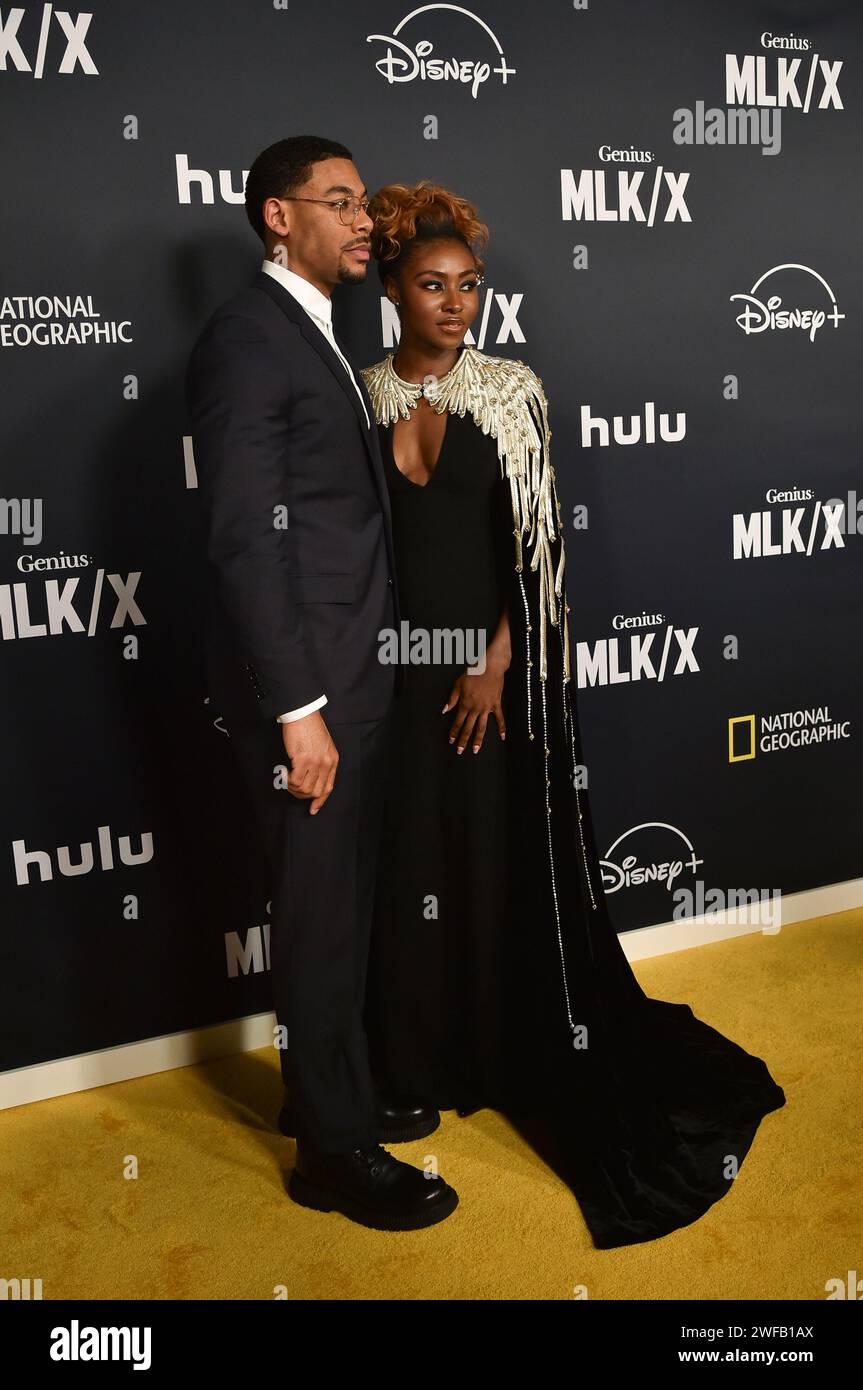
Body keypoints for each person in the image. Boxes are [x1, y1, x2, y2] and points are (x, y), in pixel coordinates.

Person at [359, 180, 787, 1248]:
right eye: (432, 286)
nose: (455, 305)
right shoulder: (357, 393)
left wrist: (498, 661)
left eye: (469, 287)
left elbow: (539, 550)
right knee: (413, 861)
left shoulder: (509, 390)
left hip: (495, 672)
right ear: (392, 288)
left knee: (501, 858)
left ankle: (508, 1049)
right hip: (397, 678)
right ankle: (420, 1064)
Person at [185, 139, 458, 1232]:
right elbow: (247, 538)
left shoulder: (317, 329)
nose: (363, 221)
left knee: (341, 913)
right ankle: (331, 1157)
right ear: (274, 217)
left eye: (361, 201)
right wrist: (298, 711)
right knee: (315, 918)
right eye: (336, 202)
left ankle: (334, 1095)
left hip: (357, 678)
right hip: (308, 699)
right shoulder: (248, 338)